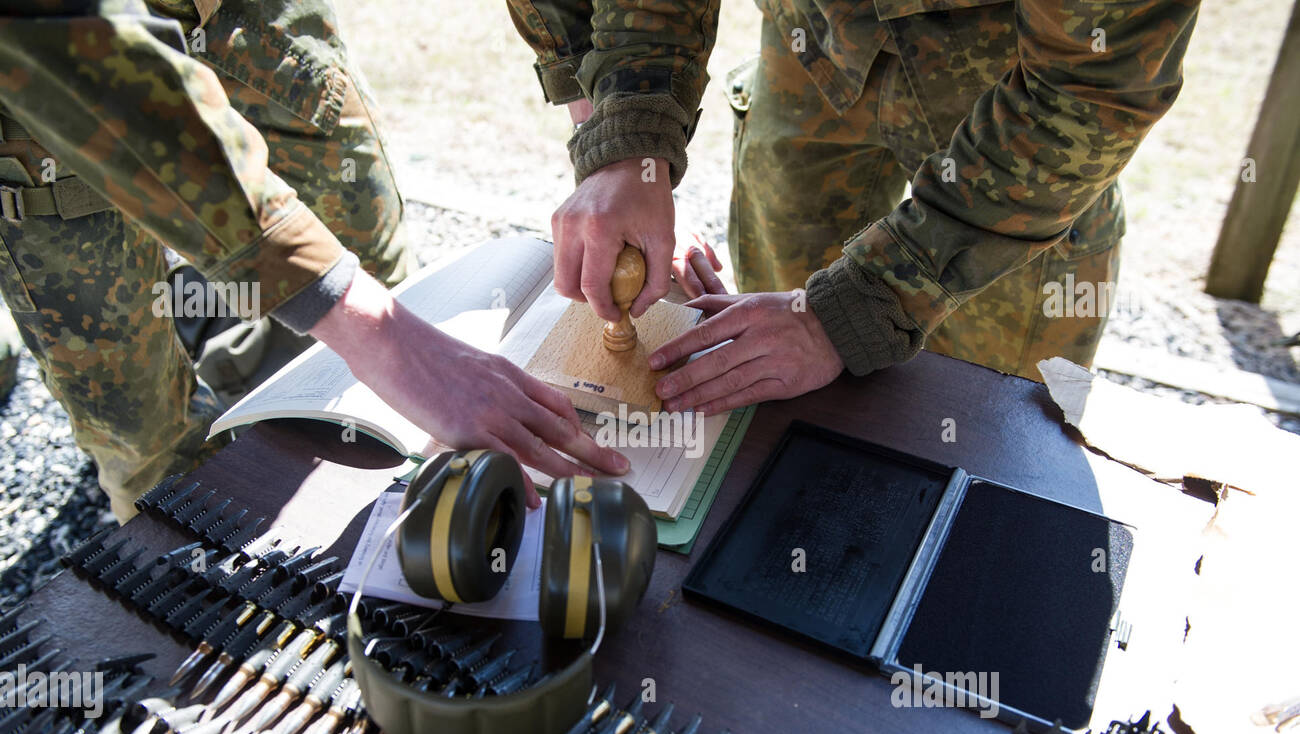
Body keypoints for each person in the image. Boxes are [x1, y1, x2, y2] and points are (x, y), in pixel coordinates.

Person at [0, 0, 626, 522]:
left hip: (246, 20)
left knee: (374, 259)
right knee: (140, 426)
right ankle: (185, 580)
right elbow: (85, 43)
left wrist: (607, 122)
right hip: (42, 102)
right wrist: (381, 336)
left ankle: (280, 402)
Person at [509, 0, 1201, 414]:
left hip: (1008, 77)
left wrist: (862, 308)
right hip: (808, 36)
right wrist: (626, 140)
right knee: (772, 359)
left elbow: (1091, 88)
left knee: (999, 423)